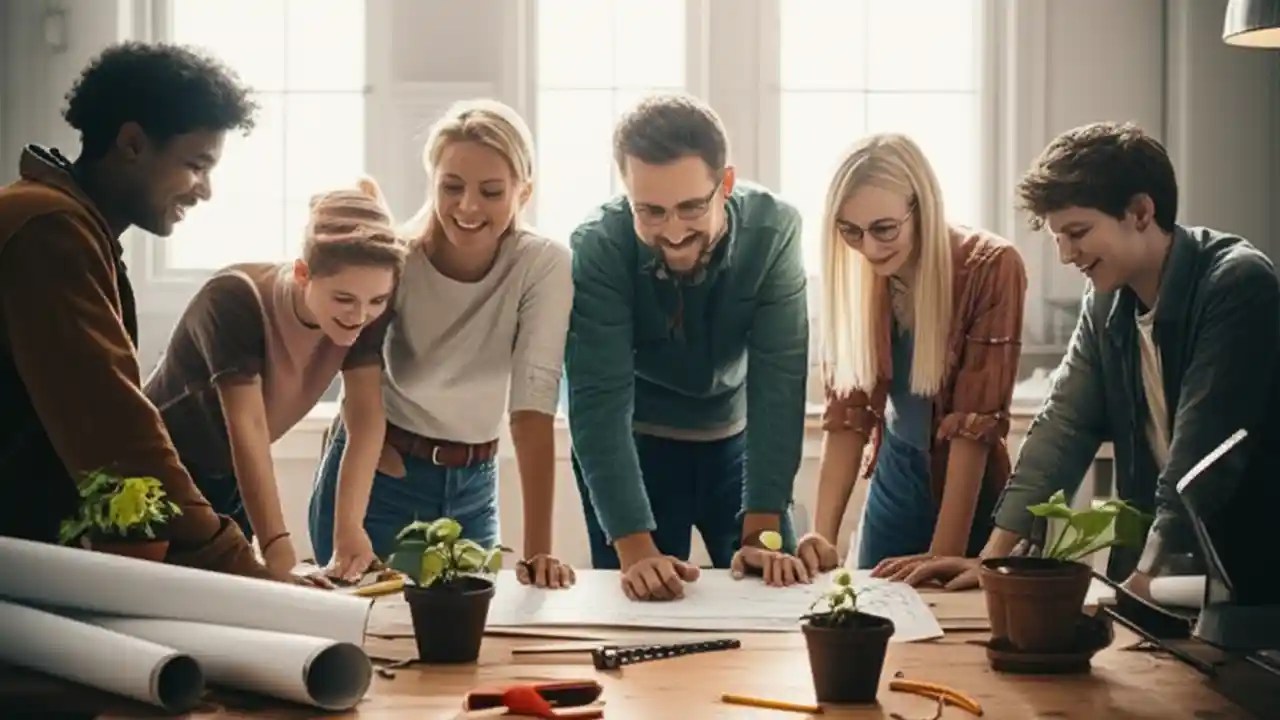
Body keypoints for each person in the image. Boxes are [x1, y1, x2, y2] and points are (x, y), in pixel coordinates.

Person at [885, 121, 1280, 602]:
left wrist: (1145, 578)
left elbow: (1199, 457)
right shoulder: (1105, 303)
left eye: (1078, 233)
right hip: (1161, 580)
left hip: (1247, 579)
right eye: (1057, 237)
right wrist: (992, 559)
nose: (1066, 255)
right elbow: (1062, 426)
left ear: (1140, 212)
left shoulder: (1235, 283)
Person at [0, 41, 280, 578]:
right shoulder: (49, 230)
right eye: (196, 165)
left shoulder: (64, 221)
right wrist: (243, 570)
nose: (206, 191)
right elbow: (115, 427)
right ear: (131, 144)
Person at [566, 92, 829, 603]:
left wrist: (762, 535)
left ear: (725, 184)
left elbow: (779, 383)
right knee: (643, 609)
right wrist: (634, 548)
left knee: (776, 589)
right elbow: (597, 402)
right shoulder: (598, 246)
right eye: (651, 212)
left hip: (734, 440)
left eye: (691, 207)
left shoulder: (775, 231)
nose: (673, 230)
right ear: (626, 194)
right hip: (635, 444)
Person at [309, 99, 575, 589]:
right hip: (383, 478)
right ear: (431, 182)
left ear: (524, 192)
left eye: (491, 191)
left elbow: (533, 407)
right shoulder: (396, 260)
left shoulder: (543, 265)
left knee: (468, 650)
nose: (468, 207)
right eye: (451, 187)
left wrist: (539, 551)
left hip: (474, 485)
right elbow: (359, 386)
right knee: (371, 644)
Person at [144, 179, 406, 579]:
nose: (360, 315)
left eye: (377, 301)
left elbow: (366, 420)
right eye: (343, 299)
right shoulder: (234, 299)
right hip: (158, 471)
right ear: (303, 273)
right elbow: (247, 427)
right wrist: (278, 551)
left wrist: (349, 530)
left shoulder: (364, 312)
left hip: (231, 479)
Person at [804, 133, 1027, 571]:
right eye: (850, 231)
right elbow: (847, 417)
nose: (868, 248)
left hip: (968, 502)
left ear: (921, 207)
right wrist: (821, 537)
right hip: (893, 492)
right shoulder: (860, 276)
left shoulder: (991, 266)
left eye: (884, 229)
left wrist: (943, 556)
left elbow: (972, 430)